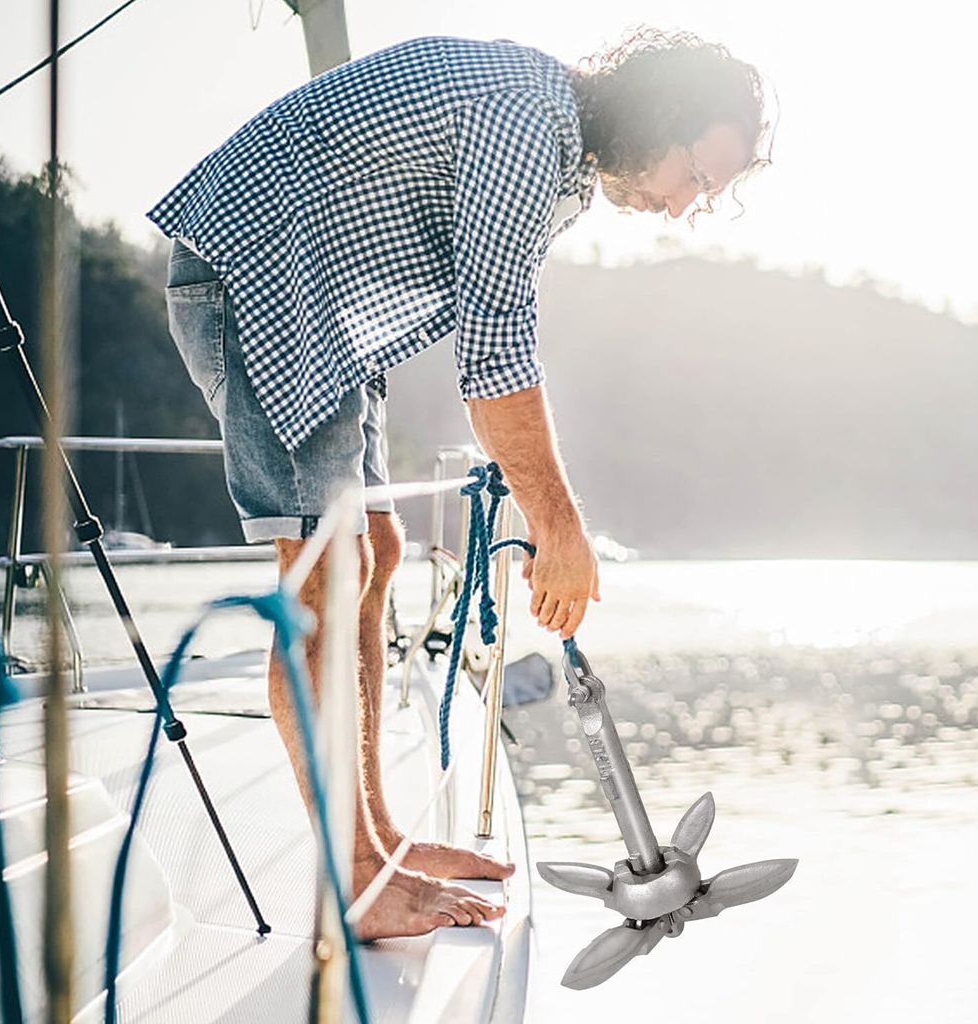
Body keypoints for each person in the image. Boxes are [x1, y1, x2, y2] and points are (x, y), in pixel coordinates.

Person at [148, 27, 768, 941]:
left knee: (376, 548)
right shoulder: (525, 125)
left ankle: (377, 844)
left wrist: (553, 520)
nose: (685, 207)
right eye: (696, 176)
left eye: (707, 196)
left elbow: (492, 335)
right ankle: (357, 881)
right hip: (261, 281)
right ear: (660, 117)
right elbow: (495, 356)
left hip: (323, 305)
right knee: (321, 577)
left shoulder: (561, 143)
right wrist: (559, 529)